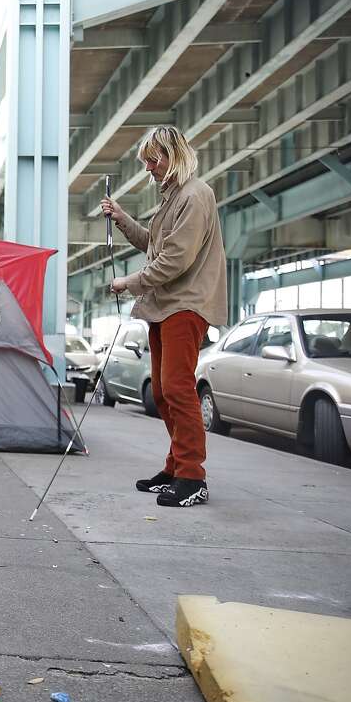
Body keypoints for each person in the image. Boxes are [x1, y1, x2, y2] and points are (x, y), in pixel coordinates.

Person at [99, 126, 226, 508]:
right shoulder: (174, 198)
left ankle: (192, 477)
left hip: (186, 305)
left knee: (177, 389)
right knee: (162, 391)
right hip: (166, 305)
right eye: (146, 162)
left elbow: (175, 260)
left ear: (175, 156)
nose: (149, 168)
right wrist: (122, 218)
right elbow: (155, 246)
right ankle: (175, 468)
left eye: (153, 160)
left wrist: (129, 282)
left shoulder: (195, 196)